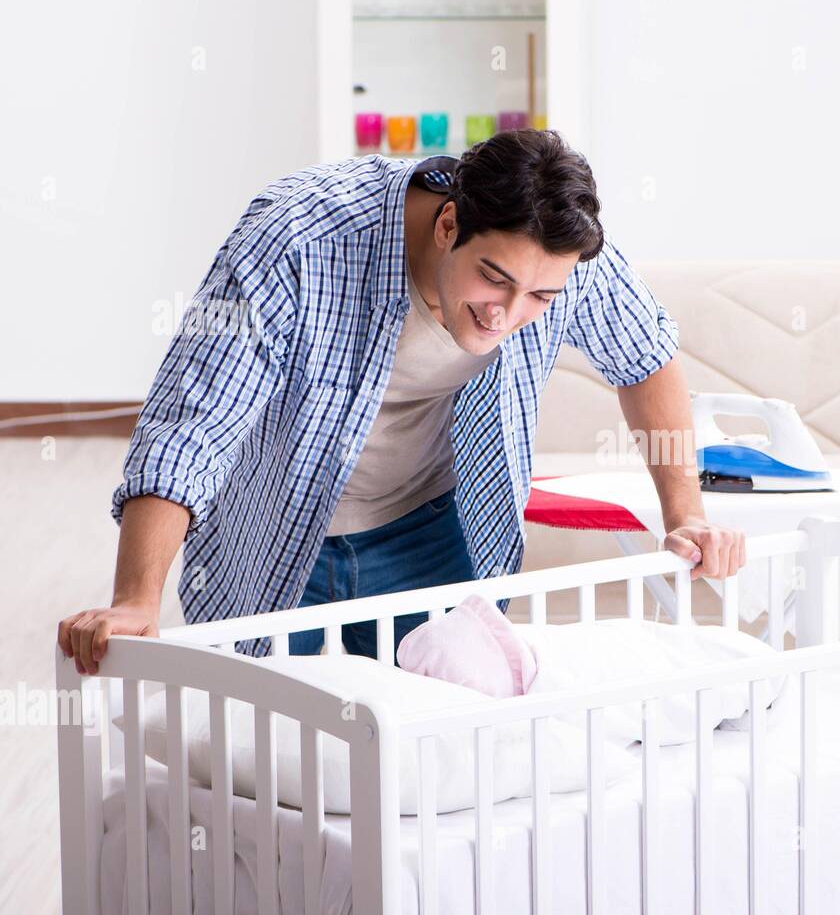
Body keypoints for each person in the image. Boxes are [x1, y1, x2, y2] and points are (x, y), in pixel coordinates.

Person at [57, 129, 745, 674]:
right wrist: (135, 599)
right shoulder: (299, 236)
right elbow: (196, 418)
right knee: (253, 753)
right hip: (272, 523)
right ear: (448, 225)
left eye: (538, 299)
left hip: (425, 526)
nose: (505, 315)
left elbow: (646, 355)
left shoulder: (561, 258)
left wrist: (685, 513)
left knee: (446, 746)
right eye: (492, 280)